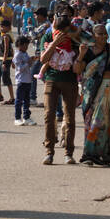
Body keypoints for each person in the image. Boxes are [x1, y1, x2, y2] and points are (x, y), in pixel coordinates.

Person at [75, 23, 110, 167]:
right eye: (100, 34)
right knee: (91, 121)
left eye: (105, 34)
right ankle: (90, 154)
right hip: (91, 92)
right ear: (93, 36)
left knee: (106, 122)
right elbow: (77, 69)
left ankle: (102, 154)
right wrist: (81, 54)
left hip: (109, 90)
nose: (103, 36)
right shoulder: (88, 51)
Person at [38, 11, 83, 165]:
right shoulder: (47, 37)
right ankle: (49, 151)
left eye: (64, 31)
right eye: (58, 30)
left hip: (70, 81)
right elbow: (43, 59)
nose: (61, 34)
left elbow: (79, 66)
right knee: (49, 115)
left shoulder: (75, 40)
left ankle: (68, 153)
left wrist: (80, 53)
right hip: (51, 79)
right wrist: (54, 43)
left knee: (70, 117)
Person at [13, 35, 35, 126]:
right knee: (19, 100)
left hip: (27, 80)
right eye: (25, 45)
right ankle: (17, 118)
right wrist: (28, 63)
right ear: (20, 45)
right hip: (21, 81)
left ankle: (26, 117)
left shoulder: (25, 53)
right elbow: (19, 68)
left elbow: (27, 66)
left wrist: (31, 61)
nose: (26, 47)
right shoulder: (17, 55)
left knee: (27, 100)